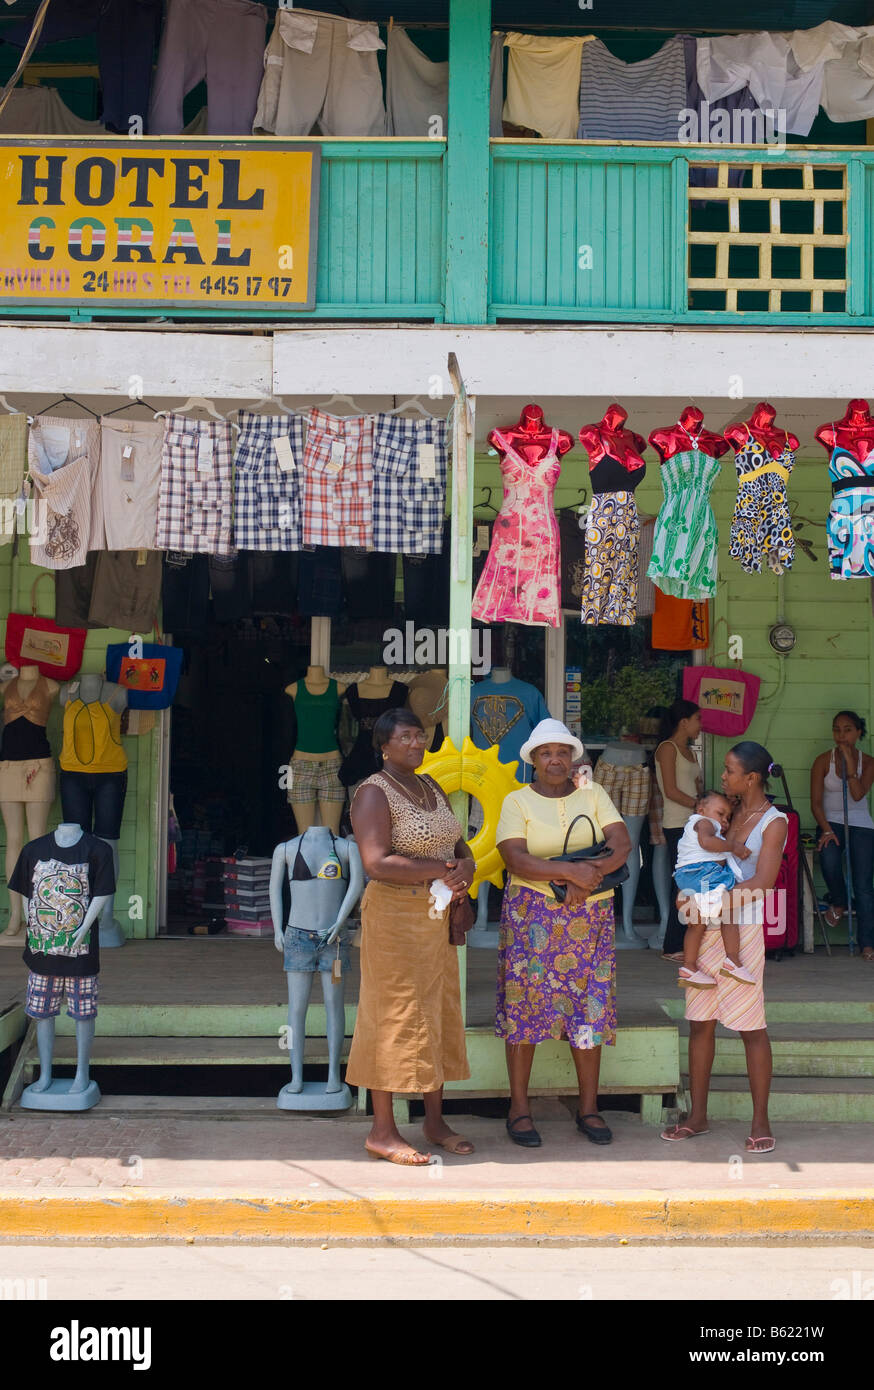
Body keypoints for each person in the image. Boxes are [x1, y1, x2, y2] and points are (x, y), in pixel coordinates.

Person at [346, 708, 474, 1165]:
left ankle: (434, 1121)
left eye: (420, 736)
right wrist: (446, 871)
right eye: (406, 737)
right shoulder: (372, 793)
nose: (417, 743)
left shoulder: (430, 785)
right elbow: (377, 862)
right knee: (394, 1014)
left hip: (436, 912)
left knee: (436, 1008)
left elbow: (456, 844)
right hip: (395, 915)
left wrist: (465, 870)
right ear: (383, 745)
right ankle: (382, 1131)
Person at [495, 718, 632, 1148]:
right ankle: (519, 1110)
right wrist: (569, 871)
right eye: (545, 753)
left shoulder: (593, 794)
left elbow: (622, 843)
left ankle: (588, 1108)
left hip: (588, 918)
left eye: (561, 752)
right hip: (531, 918)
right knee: (525, 1007)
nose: (555, 759)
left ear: (573, 758)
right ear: (533, 760)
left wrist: (581, 880)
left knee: (588, 1008)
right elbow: (514, 858)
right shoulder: (516, 801)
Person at [662, 742, 787, 1155]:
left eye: (730, 771)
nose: (723, 778)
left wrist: (706, 904)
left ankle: (760, 1120)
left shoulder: (774, 821)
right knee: (700, 1022)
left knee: (751, 1027)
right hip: (706, 924)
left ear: (751, 778)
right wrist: (690, 900)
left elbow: (762, 884)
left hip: (742, 928)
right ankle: (697, 1117)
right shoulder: (720, 814)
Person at [810, 710, 874, 961]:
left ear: (858, 732)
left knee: (863, 885)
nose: (841, 735)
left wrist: (850, 763)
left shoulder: (868, 762)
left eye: (848, 729)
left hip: (861, 824)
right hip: (831, 822)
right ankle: (839, 902)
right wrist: (825, 829)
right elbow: (816, 803)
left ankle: (867, 943)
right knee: (829, 858)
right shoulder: (822, 761)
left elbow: (857, 795)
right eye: (837, 729)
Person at [675, 791, 755, 989]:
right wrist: (733, 846)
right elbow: (707, 843)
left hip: (691, 877)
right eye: (721, 814)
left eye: (728, 817)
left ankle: (689, 967)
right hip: (702, 875)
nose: (724, 821)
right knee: (728, 910)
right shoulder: (704, 823)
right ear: (701, 810)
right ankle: (732, 960)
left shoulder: (706, 825)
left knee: (697, 924)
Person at [654, 699, 703, 960]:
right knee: (682, 883)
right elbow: (671, 791)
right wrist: (700, 805)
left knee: (693, 881)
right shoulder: (667, 748)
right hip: (678, 824)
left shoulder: (691, 751)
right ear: (684, 722)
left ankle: (685, 941)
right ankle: (672, 945)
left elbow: (697, 785)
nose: (700, 725)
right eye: (698, 719)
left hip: (696, 823)